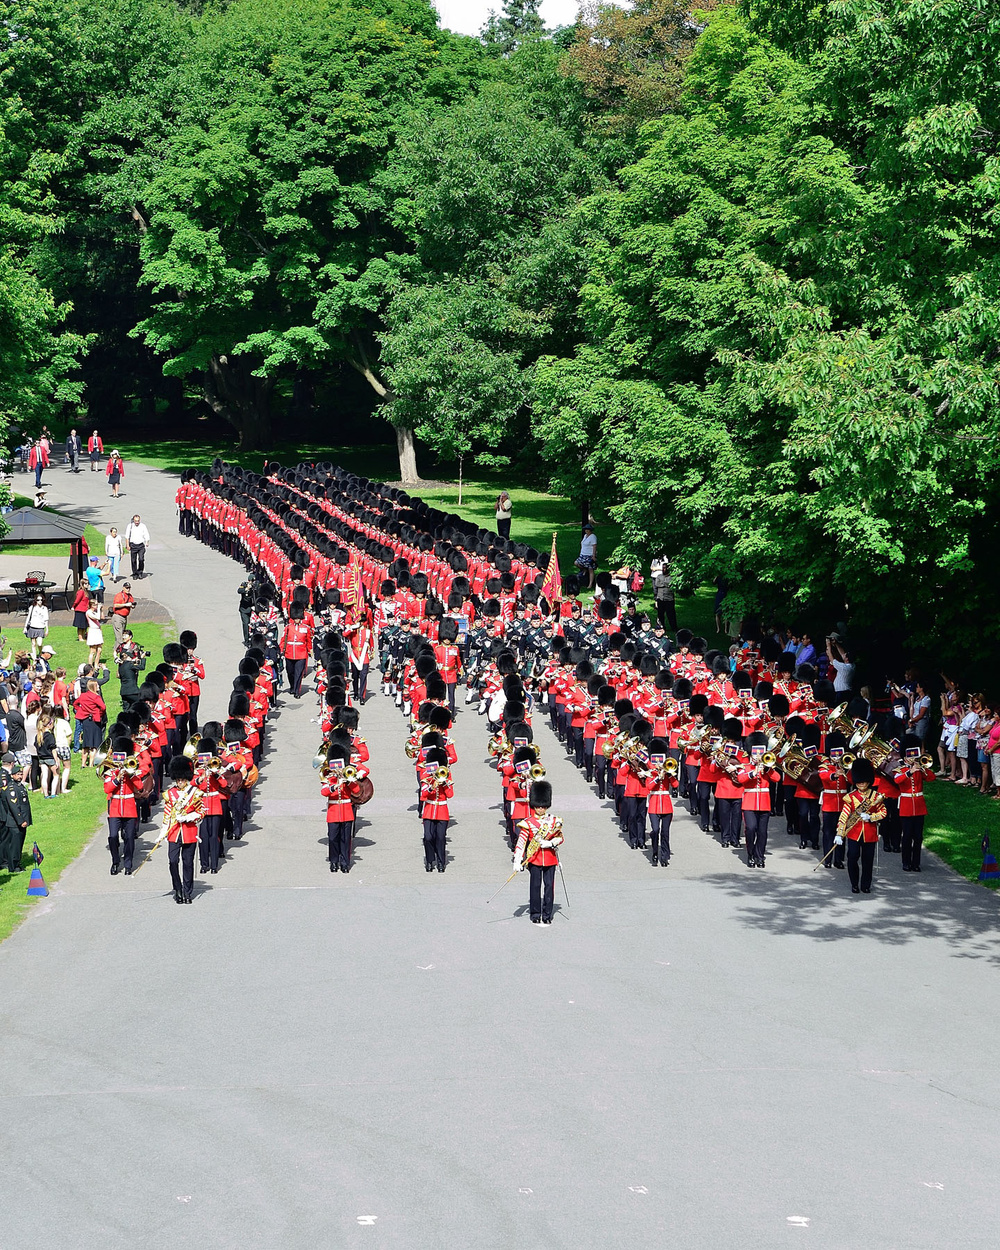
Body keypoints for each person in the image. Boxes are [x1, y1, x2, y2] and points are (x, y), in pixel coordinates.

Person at [513, 779, 563, 924]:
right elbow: (521, 841)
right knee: (535, 887)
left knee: (549, 887)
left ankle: (547, 914)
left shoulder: (553, 821)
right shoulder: (528, 822)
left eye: (543, 806)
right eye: (538, 806)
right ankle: (535, 913)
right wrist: (517, 860)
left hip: (550, 858)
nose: (541, 809)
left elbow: (560, 838)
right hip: (534, 858)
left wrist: (550, 843)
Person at [835, 758, 887, 895]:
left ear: (868, 781)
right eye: (859, 781)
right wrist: (839, 833)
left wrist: (871, 817)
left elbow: (883, 812)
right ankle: (854, 883)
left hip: (869, 834)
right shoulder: (850, 797)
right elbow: (844, 815)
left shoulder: (875, 796)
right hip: (854, 833)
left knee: (867, 861)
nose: (861, 784)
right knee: (852, 858)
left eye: (863, 781)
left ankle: (865, 885)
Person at [162, 756, 204, 904]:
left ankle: (187, 892)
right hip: (174, 833)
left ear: (186, 778)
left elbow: (201, 812)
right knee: (173, 861)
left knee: (188, 863)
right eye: (178, 780)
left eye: (182, 779)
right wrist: (162, 832)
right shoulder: (170, 794)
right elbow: (167, 814)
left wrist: (189, 817)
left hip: (189, 833)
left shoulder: (195, 793)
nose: (180, 782)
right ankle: (177, 888)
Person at [0, 754, 32, 873]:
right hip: (11, 818)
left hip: (16, 818)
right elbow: (13, 805)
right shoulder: (11, 787)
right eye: (18, 774)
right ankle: (11, 864)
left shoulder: (20, 786)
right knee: (12, 843)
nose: (20, 776)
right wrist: (21, 820)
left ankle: (15, 862)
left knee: (17, 843)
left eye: (21, 774)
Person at [74, 678, 106, 768]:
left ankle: (83, 763)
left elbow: (75, 704)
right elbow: (103, 707)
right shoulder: (96, 697)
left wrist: (80, 711)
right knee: (94, 744)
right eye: (97, 685)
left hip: (85, 720)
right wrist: (98, 713)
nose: (99, 686)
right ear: (94, 687)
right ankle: (91, 764)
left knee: (86, 742)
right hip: (94, 721)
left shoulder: (83, 695)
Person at [34, 710, 58, 798]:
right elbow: (53, 750)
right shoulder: (50, 736)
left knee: (44, 776)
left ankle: (45, 794)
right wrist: (56, 761)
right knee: (56, 775)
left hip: (42, 758)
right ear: (49, 725)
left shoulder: (38, 736)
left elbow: (36, 747)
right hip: (50, 758)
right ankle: (53, 793)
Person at [651, 557, 677, 632]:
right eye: (663, 568)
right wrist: (665, 584)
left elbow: (671, 585)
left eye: (665, 568)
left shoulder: (671, 577)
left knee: (671, 614)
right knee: (660, 614)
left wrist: (663, 584)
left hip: (669, 599)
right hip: (661, 598)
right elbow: (657, 584)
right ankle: (661, 627)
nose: (663, 569)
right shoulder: (659, 576)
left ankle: (674, 627)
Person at [22, 593, 49, 661]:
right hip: (32, 627)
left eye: (41, 600)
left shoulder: (44, 608)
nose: (40, 601)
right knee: (33, 643)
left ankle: (40, 653)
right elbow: (28, 618)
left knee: (39, 643)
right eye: (38, 600)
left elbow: (46, 619)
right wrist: (25, 627)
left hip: (40, 628)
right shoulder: (32, 608)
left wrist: (47, 629)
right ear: (35, 600)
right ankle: (34, 656)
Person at [110, 581, 135, 647]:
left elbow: (132, 603)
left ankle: (117, 651)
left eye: (129, 588)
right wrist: (126, 605)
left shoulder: (130, 596)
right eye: (127, 588)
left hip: (124, 617)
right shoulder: (119, 595)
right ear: (123, 588)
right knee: (120, 636)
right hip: (118, 617)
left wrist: (132, 606)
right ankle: (120, 651)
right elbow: (115, 605)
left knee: (122, 635)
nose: (128, 589)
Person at [125, 514, 150, 579]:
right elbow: (127, 536)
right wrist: (127, 545)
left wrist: (147, 542)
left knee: (141, 559)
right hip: (133, 545)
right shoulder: (130, 526)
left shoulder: (143, 526)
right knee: (133, 560)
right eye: (135, 521)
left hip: (141, 545)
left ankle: (140, 572)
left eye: (138, 521)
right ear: (133, 520)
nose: (137, 522)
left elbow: (146, 534)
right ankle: (135, 573)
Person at [574, 525, 597, 589]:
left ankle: (590, 584)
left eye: (587, 529)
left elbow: (594, 546)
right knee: (576, 563)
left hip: (589, 555)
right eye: (585, 529)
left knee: (590, 569)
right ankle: (584, 570)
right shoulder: (585, 536)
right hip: (583, 554)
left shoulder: (593, 537)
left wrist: (594, 556)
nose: (586, 530)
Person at [85, 594, 104, 668]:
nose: (97, 606)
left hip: (98, 631)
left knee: (99, 649)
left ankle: (96, 664)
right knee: (93, 650)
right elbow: (97, 618)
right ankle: (90, 666)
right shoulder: (88, 612)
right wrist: (99, 609)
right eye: (95, 605)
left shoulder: (95, 612)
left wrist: (101, 610)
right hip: (93, 631)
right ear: (92, 605)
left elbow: (101, 617)